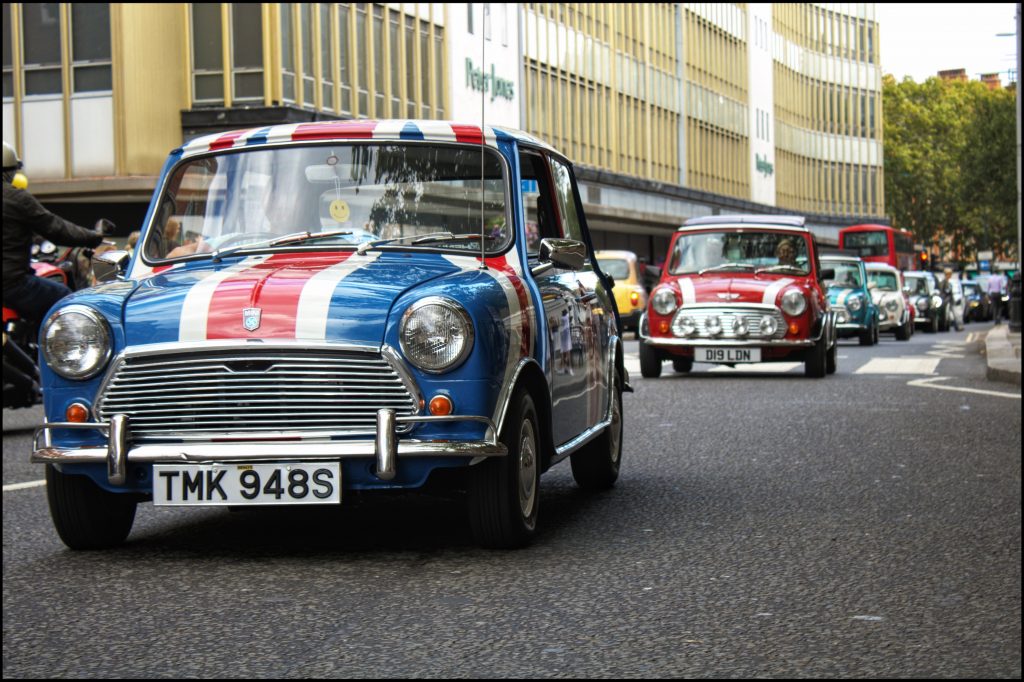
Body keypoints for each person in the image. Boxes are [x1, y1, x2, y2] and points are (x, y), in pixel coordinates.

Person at [3, 140, 105, 325]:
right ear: (10, 170)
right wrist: (92, 237)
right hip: (11, 283)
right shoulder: (16, 199)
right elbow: (56, 228)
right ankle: (59, 353)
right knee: (65, 300)